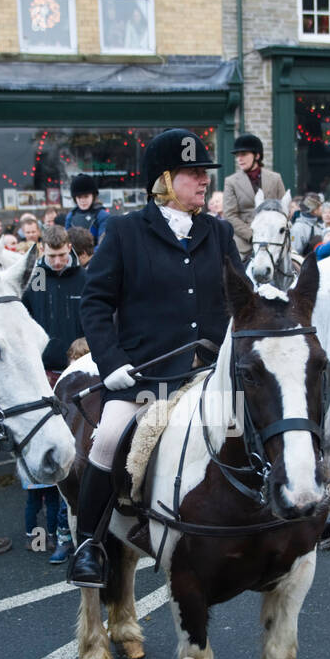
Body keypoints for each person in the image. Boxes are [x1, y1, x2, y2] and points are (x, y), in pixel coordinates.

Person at [69, 129, 243, 587]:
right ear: (164, 181)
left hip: (209, 374)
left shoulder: (219, 232)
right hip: (144, 375)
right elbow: (94, 302)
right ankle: (88, 545)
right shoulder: (126, 232)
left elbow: (239, 300)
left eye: (205, 174)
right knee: (106, 441)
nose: (204, 181)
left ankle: (298, 508)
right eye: (193, 173)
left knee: (266, 423)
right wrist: (112, 362)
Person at [22, 224, 87, 564]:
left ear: (70, 250)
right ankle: (38, 536)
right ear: (42, 252)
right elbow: (24, 320)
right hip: (43, 377)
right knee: (42, 455)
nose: (58, 262)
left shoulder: (84, 277)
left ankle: (68, 534)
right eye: (52, 256)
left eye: (62, 255)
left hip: (78, 374)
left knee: (74, 453)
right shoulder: (35, 279)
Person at [222, 133, 286, 260]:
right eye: (237, 155)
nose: (239, 158)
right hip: (244, 241)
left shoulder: (275, 178)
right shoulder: (231, 182)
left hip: (272, 239)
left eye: (244, 154)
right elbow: (230, 215)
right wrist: (252, 234)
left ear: (257, 155)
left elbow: (283, 209)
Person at [60, 174, 109, 242]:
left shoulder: (102, 215)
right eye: (79, 197)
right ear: (75, 198)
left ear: (93, 196)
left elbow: (103, 243)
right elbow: (66, 241)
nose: (83, 201)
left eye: (86, 196)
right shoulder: (71, 216)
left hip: (95, 251)